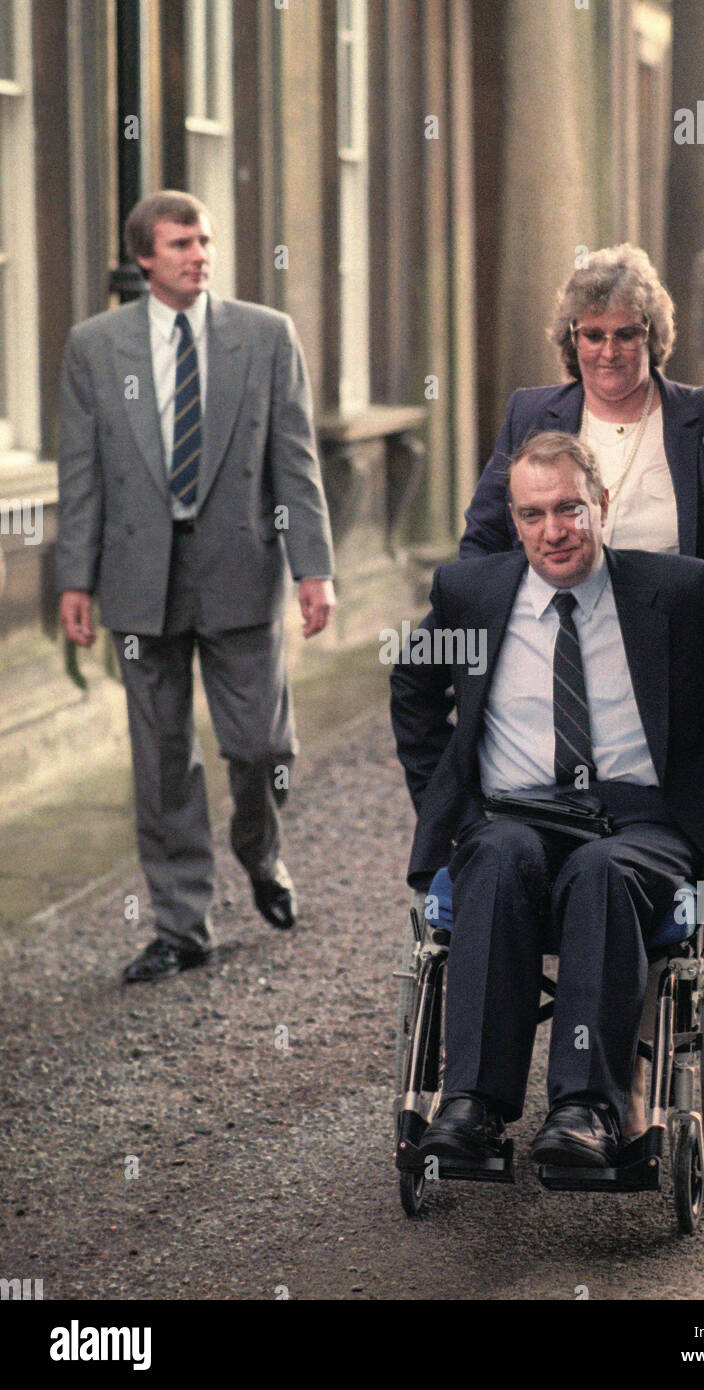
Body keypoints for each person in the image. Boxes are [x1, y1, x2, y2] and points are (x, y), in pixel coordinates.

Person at [390, 433, 704, 1168]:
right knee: (493, 853)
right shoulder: (471, 594)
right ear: (514, 521)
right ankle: (473, 1106)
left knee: (602, 873)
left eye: (569, 509)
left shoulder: (675, 591)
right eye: (533, 514)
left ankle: (586, 1109)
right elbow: (413, 686)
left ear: (602, 505)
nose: (553, 531)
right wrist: (440, 802)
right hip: (518, 811)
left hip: (642, 821)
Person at [57, 190, 336, 983]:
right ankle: (184, 926)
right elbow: (80, 473)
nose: (199, 254)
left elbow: (296, 462)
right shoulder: (94, 347)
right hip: (138, 576)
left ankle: (259, 849)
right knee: (163, 758)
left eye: (205, 240)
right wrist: (74, 579)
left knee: (260, 745)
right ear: (144, 257)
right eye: (181, 243)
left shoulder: (265, 336)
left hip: (243, 568)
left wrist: (314, 569)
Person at [460, 244, 704, 616]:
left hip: (673, 633)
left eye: (626, 334)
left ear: (651, 335)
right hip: (553, 634)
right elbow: (485, 531)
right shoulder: (530, 414)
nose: (609, 352)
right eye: (593, 335)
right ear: (573, 338)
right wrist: (494, 624)